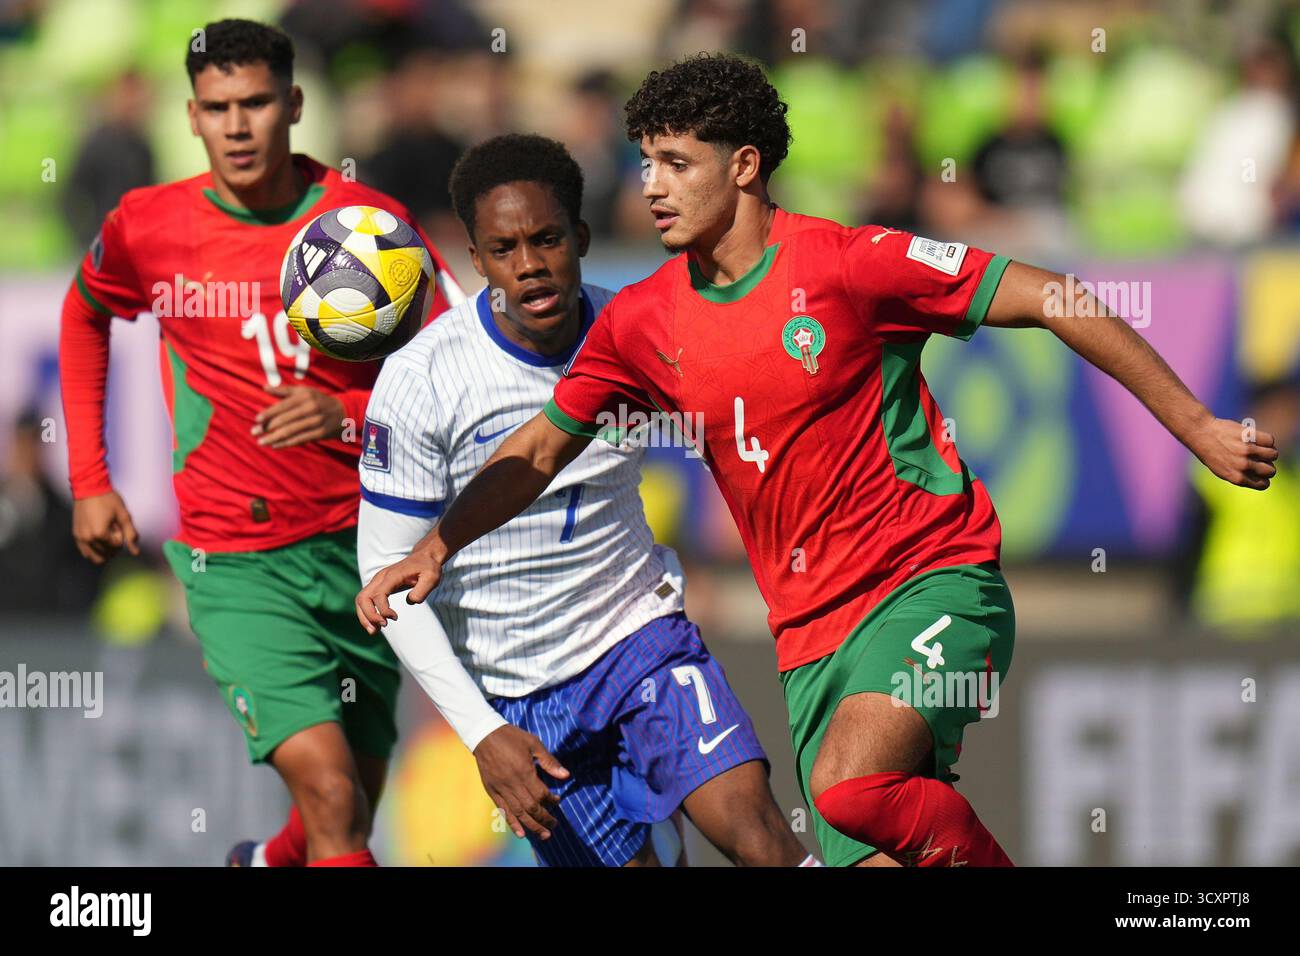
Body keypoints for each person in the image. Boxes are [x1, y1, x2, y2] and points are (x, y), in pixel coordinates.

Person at [356, 53, 1278, 867]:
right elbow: (538, 449)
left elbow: (1054, 295)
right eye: (646, 164)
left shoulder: (848, 265)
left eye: (677, 164)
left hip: (932, 582)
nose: (652, 187)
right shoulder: (640, 321)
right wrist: (441, 541)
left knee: (845, 787)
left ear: (745, 167)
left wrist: (1195, 424)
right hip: (810, 639)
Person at [59, 18, 461, 867]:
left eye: (255, 103)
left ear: (296, 104)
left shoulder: (370, 226)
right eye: (217, 107)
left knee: (346, 805)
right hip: (234, 559)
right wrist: (91, 477)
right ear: (193, 116)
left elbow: (453, 376)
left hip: (364, 551)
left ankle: (259, 864)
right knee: (330, 795)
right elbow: (85, 310)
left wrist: (344, 414)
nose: (237, 126)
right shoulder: (149, 225)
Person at [358, 132, 816, 867]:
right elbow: (386, 580)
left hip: (641, 639)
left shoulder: (636, 331)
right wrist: (482, 733)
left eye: (547, 239)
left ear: (582, 237)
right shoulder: (422, 382)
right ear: (476, 262)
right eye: (504, 249)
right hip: (521, 696)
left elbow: (743, 430)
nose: (530, 265)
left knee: (757, 833)